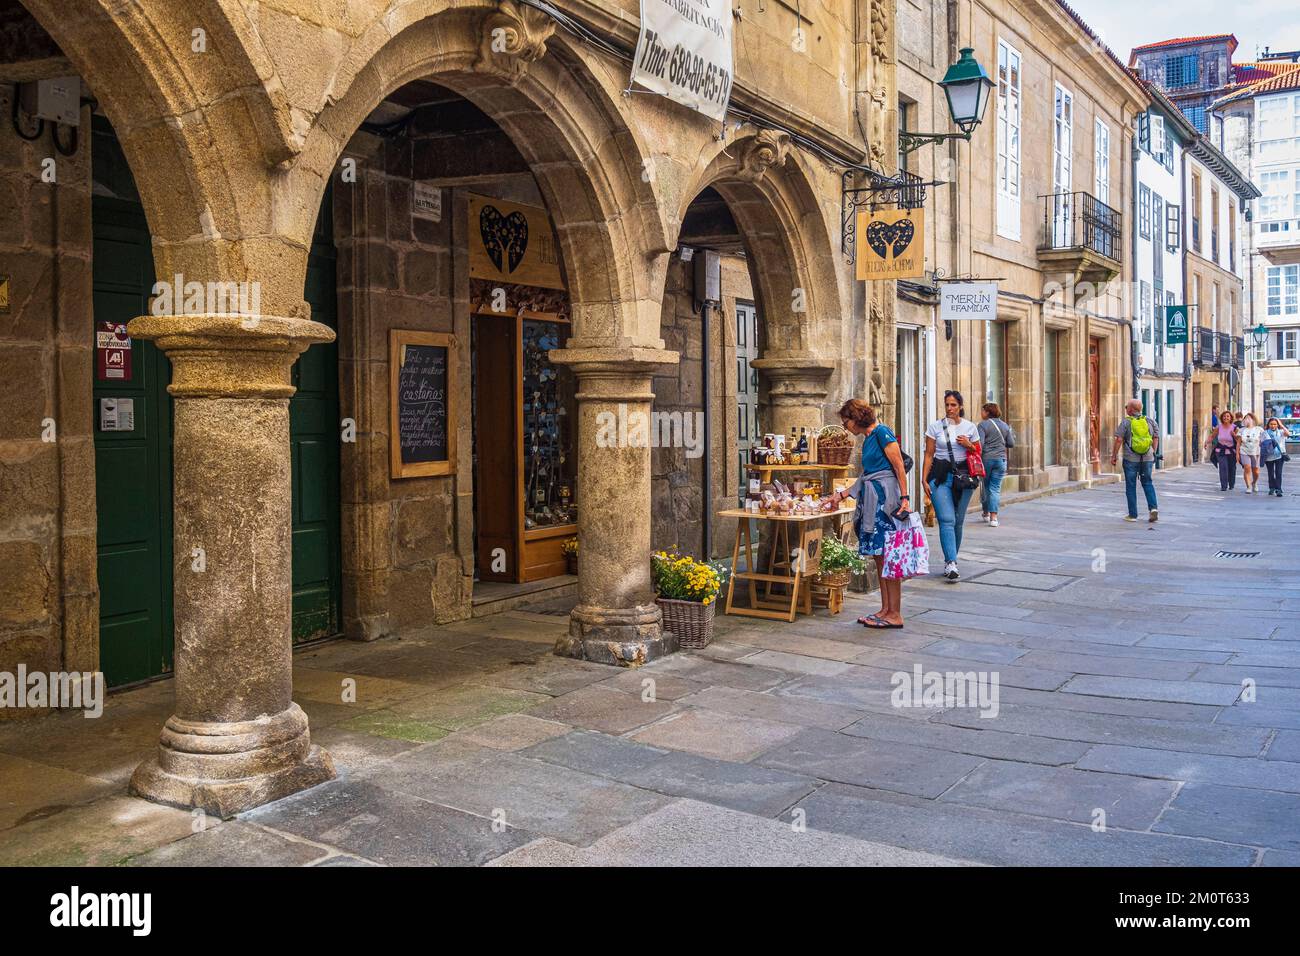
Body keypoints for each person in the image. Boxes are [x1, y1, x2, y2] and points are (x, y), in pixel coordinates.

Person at [827, 399, 911, 628]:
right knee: (879, 555)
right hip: (873, 500)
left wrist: (904, 498)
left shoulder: (883, 432)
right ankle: (886, 609)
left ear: (856, 418)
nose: (846, 427)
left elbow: (899, 466)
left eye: (846, 421)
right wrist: (841, 495)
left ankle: (895, 613)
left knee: (887, 556)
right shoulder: (868, 438)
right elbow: (866, 475)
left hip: (885, 503)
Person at [922, 390, 981, 582]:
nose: (949, 408)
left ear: (960, 406)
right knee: (946, 519)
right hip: (940, 476)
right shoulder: (935, 427)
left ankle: (952, 558)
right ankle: (950, 563)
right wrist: (923, 479)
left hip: (964, 477)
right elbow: (929, 454)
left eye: (953, 405)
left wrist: (968, 445)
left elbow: (979, 452)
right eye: (947, 404)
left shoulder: (970, 427)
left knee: (958, 520)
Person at [1110, 398, 1159, 523]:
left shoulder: (1126, 423)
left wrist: (1114, 455)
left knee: (1131, 486)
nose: (1126, 408)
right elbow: (1155, 437)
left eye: (1127, 406)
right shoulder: (1150, 421)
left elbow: (1119, 440)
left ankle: (1133, 515)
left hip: (1130, 459)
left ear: (1131, 409)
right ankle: (1153, 508)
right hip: (1147, 458)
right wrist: (1153, 452)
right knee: (1147, 482)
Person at [977, 402, 1013, 527]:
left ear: (987, 412)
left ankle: (986, 513)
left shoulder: (982, 425)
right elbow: (1011, 443)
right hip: (1001, 460)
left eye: (982, 411)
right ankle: (994, 517)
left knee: (986, 486)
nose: (981, 413)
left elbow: (979, 444)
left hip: (987, 459)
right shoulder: (1005, 425)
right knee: (995, 488)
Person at [1206, 410, 1239, 492]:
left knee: (1232, 468)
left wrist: (1234, 435)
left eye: (1228, 416)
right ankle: (1223, 485)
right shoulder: (1219, 427)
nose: (1226, 418)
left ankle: (1231, 484)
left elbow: (1239, 440)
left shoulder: (1235, 428)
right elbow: (1212, 436)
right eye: (1224, 416)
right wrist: (1206, 442)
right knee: (1223, 467)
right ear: (1222, 418)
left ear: (1231, 418)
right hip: (1220, 450)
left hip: (1232, 451)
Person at [1236, 413, 1264, 494]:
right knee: (1247, 468)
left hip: (1256, 452)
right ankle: (1248, 486)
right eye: (1245, 418)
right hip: (1244, 451)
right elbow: (1238, 443)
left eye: (1249, 418)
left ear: (1253, 419)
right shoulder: (1241, 430)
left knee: (1256, 471)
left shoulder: (1259, 429)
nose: (1247, 420)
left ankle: (1254, 483)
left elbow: (1264, 441)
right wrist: (1237, 454)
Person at [1263, 417, 1289, 497]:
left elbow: (1288, 434)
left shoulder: (1281, 432)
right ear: (1268, 425)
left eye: (1275, 424)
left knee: (1278, 473)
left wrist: (1281, 425)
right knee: (1270, 473)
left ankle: (1278, 489)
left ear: (1277, 425)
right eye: (1271, 424)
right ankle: (1271, 488)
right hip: (1269, 456)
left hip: (1279, 456)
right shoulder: (1265, 433)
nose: (1273, 426)